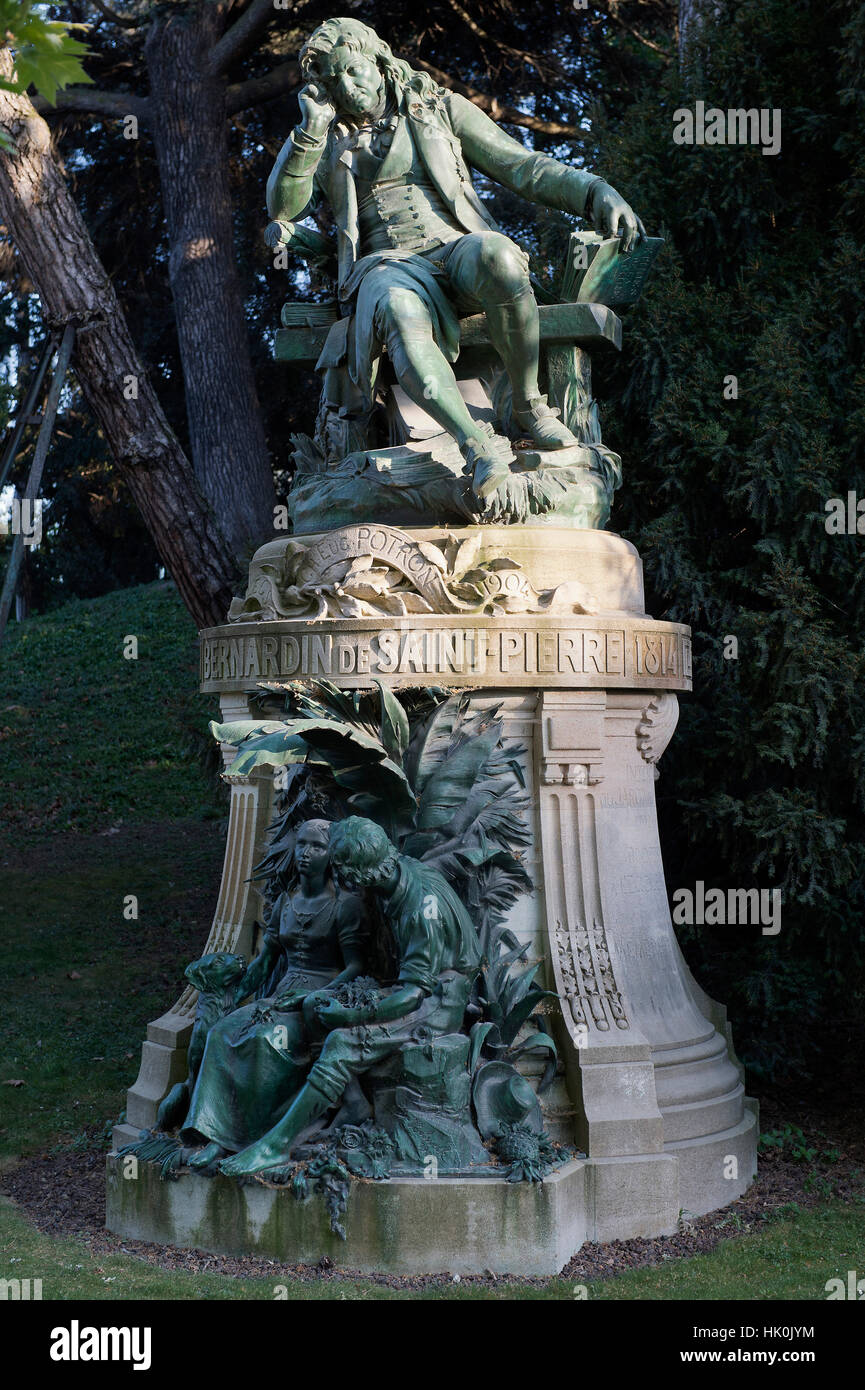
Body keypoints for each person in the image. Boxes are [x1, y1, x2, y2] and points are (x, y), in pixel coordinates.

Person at [266, 17, 646, 497]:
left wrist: (595, 191)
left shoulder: (440, 109)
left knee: (500, 258)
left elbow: (524, 167)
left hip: (455, 247)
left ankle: (530, 404)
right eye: (333, 79)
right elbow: (282, 207)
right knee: (397, 310)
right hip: (386, 267)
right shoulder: (325, 136)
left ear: (379, 63)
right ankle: (476, 447)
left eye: (353, 70)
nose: (347, 86)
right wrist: (310, 132)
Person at [218, 815, 480, 1177]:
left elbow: (412, 997)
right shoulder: (400, 873)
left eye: (343, 872)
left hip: (436, 1003)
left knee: (342, 1041)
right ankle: (354, 1104)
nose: (341, 880)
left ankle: (275, 1145)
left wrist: (351, 1017)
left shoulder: (421, 907)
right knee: (315, 1005)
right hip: (416, 987)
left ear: (361, 875)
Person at [180, 819, 365, 1168]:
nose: (305, 853)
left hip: (316, 1000)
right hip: (279, 997)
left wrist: (316, 996)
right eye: (301, 844)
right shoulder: (285, 902)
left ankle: (254, 1140)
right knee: (221, 1034)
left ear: (332, 856)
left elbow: (355, 967)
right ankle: (214, 1137)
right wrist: (233, 996)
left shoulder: (346, 905)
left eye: (317, 847)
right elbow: (266, 961)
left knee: (267, 1042)